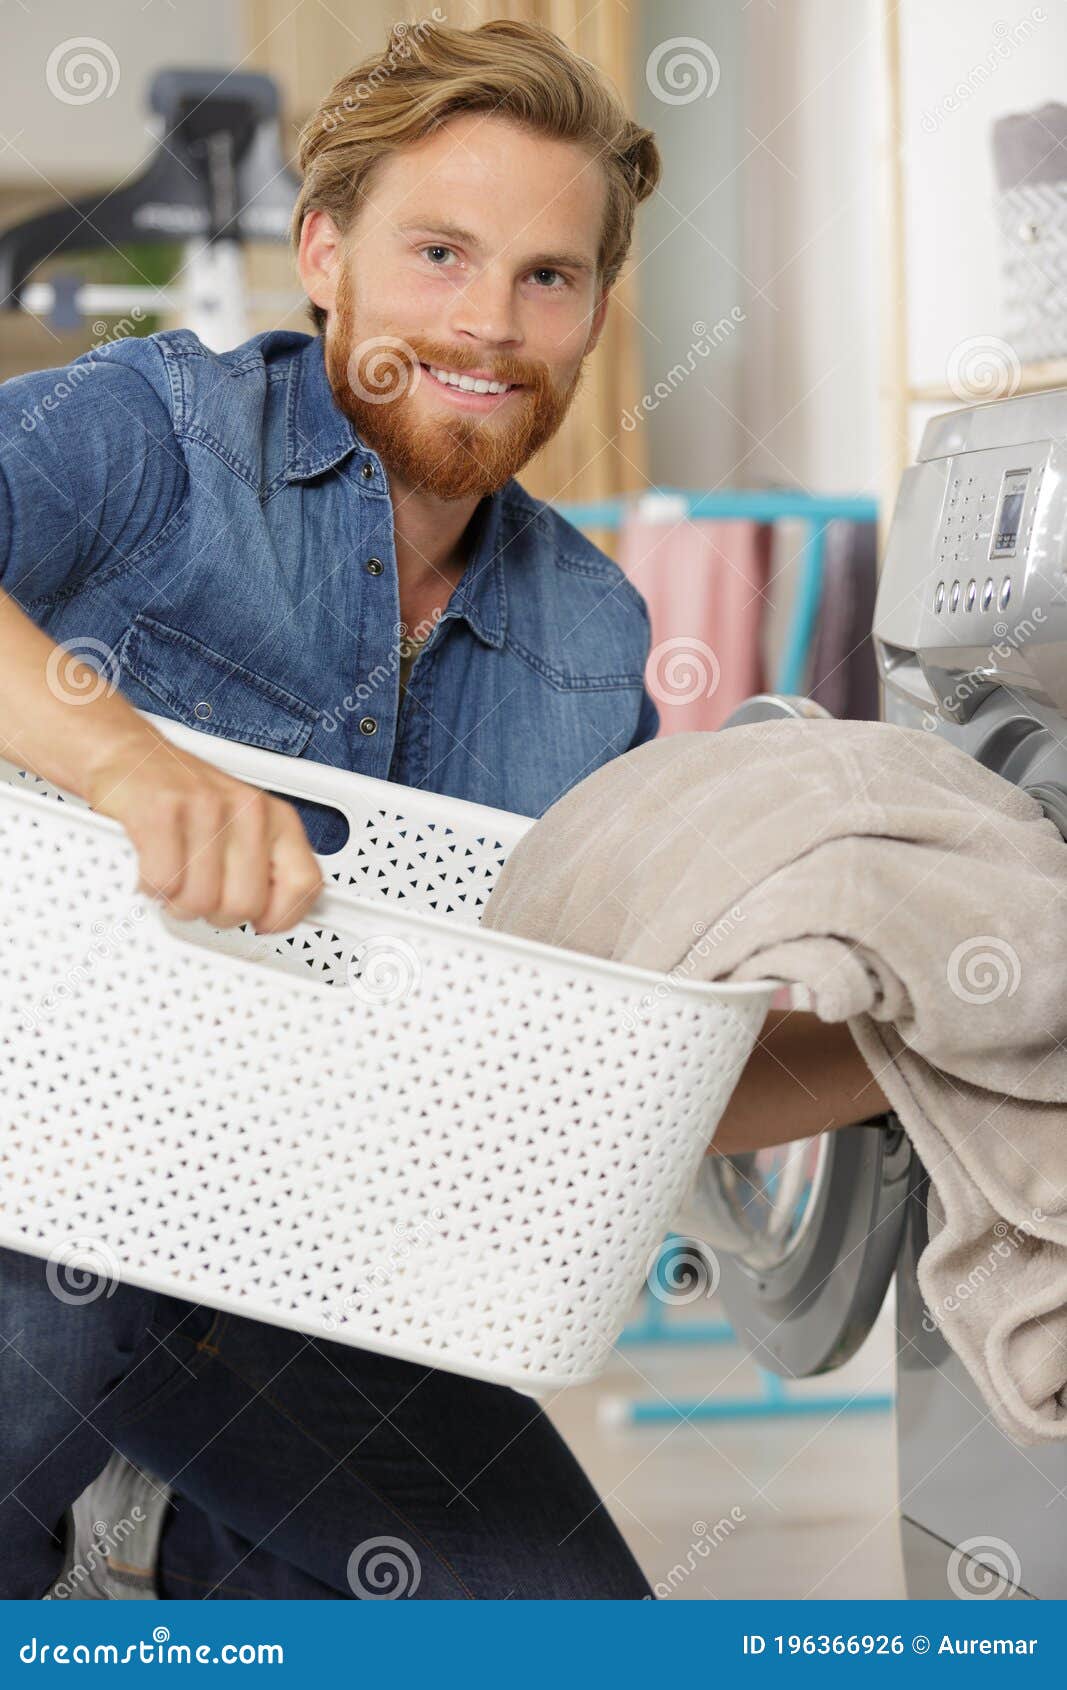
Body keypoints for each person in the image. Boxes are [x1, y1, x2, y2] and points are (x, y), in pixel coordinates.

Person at [0, 19, 886, 1599]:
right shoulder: (155, 438)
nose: (490, 323)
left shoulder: (595, 639)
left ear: (600, 309)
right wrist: (130, 763)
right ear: (324, 252)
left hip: (312, 1308)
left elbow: (580, 1078)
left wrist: (928, 1040)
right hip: (36, 1218)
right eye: (439, 252)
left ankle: (134, 1532)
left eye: (548, 275)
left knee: (567, 1638)